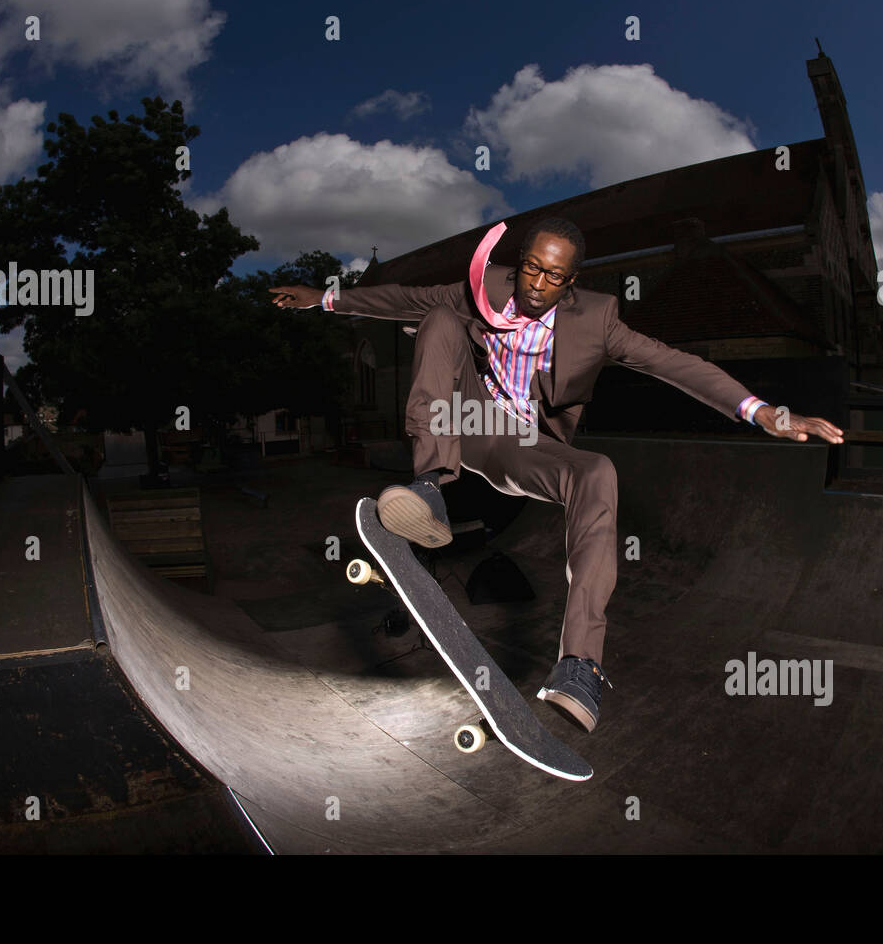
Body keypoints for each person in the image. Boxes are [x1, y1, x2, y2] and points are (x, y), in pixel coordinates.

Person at [270, 217, 843, 732]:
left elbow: (676, 364)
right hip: (461, 417)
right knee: (438, 317)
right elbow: (402, 297)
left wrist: (763, 411)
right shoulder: (483, 289)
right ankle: (430, 491)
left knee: (598, 471)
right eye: (531, 269)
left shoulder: (600, 320)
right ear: (518, 263)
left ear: (571, 284)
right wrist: (323, 298)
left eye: (553, 277)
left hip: (525, 446)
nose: (537, 285)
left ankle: (580, 666)